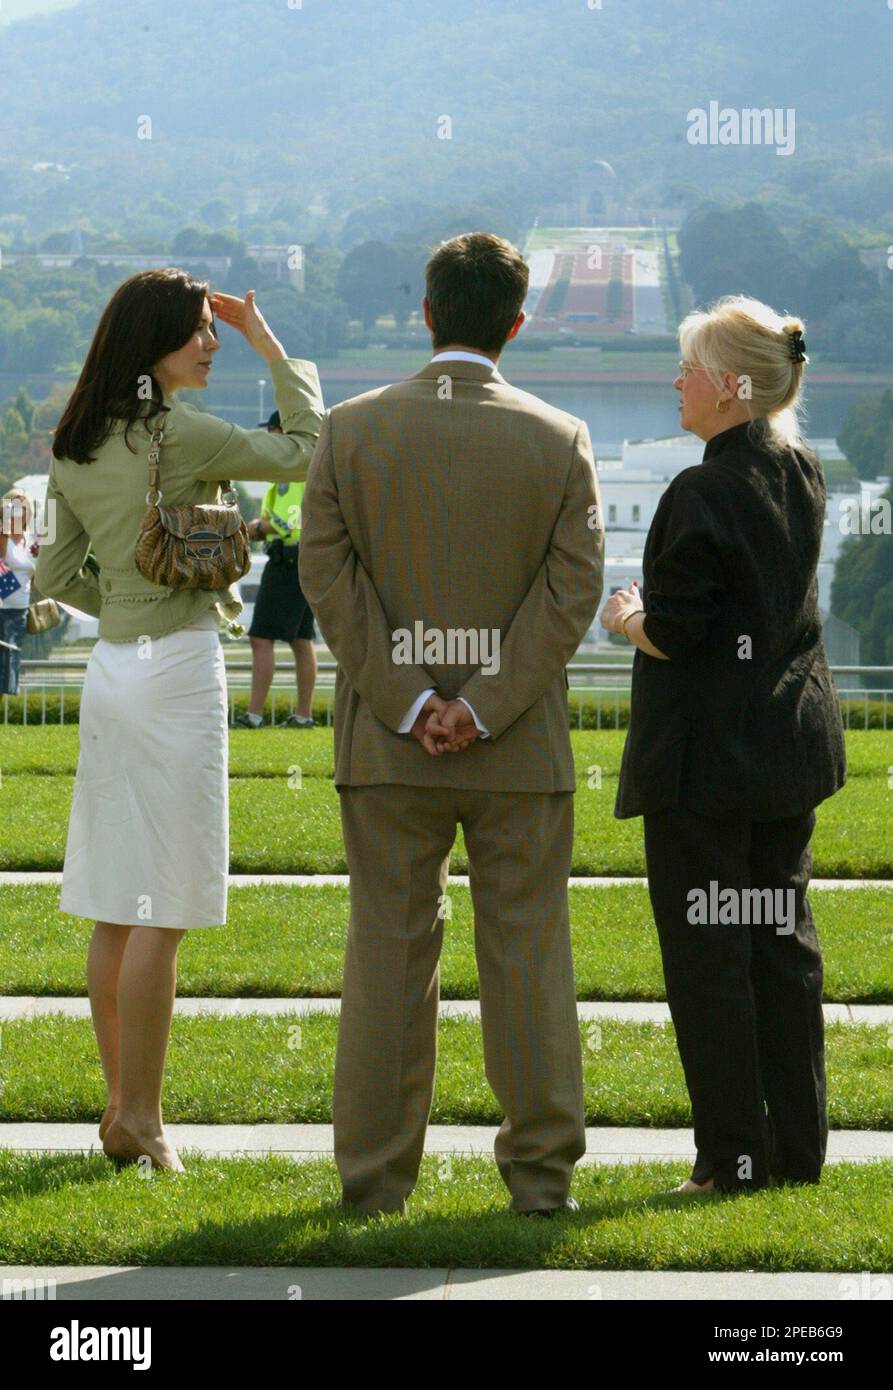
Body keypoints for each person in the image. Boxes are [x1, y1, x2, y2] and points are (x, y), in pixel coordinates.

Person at [299, 232, 605, 1217]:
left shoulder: (347, 429)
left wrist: (406, 698)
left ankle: (375, 1180)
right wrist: (479, 704)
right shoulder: (558, 439)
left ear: (426, 313)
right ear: (515, 324)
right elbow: (571, 595)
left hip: (388, 748)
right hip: (517, 749)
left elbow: (326, 579)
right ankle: (540, 1175)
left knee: (387, 953)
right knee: (526, 955)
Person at [35, 268, 324, 1172]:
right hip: (179, 674)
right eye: (199, 330)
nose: (212, 342)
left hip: (113, 671)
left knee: (118, 904)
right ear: (152, 344)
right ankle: (144, 1120)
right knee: (162, 904)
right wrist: (271, 346)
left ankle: (120, 1108)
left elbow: (52, 577)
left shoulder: (77, 441)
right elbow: (307, 450)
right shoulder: (182, 432)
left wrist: (123, 599)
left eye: (217, 330)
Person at [600, 295, 846, 1197]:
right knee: (780, 946)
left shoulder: (702, 488)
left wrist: (627, 617)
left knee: (710, 961)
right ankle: (795, 1152)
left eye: (689, 368)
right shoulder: (802, 469)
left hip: (705, 765)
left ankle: (731, 1160)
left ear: (732, 387)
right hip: (786, 747)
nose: (675, 381)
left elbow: (681, 630)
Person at [235, 410, 318, 729]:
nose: (268, 439)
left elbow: (293, 522)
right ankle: (304, 715)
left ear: (283, 431)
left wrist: (258, 527)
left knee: (260, 637)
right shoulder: (303, 466)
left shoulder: (292, 472)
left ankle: (254, 715)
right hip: (302, 562)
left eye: (271, 431)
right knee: (300, 639)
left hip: (288, 562)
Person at [0, 490, 36, 694]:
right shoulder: (3, 535)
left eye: (23, 507)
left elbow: (35, 571)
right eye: (13, 507)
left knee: (8, 667)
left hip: (20, 610)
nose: (18, 512)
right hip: (2, 609)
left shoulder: (31, 539)